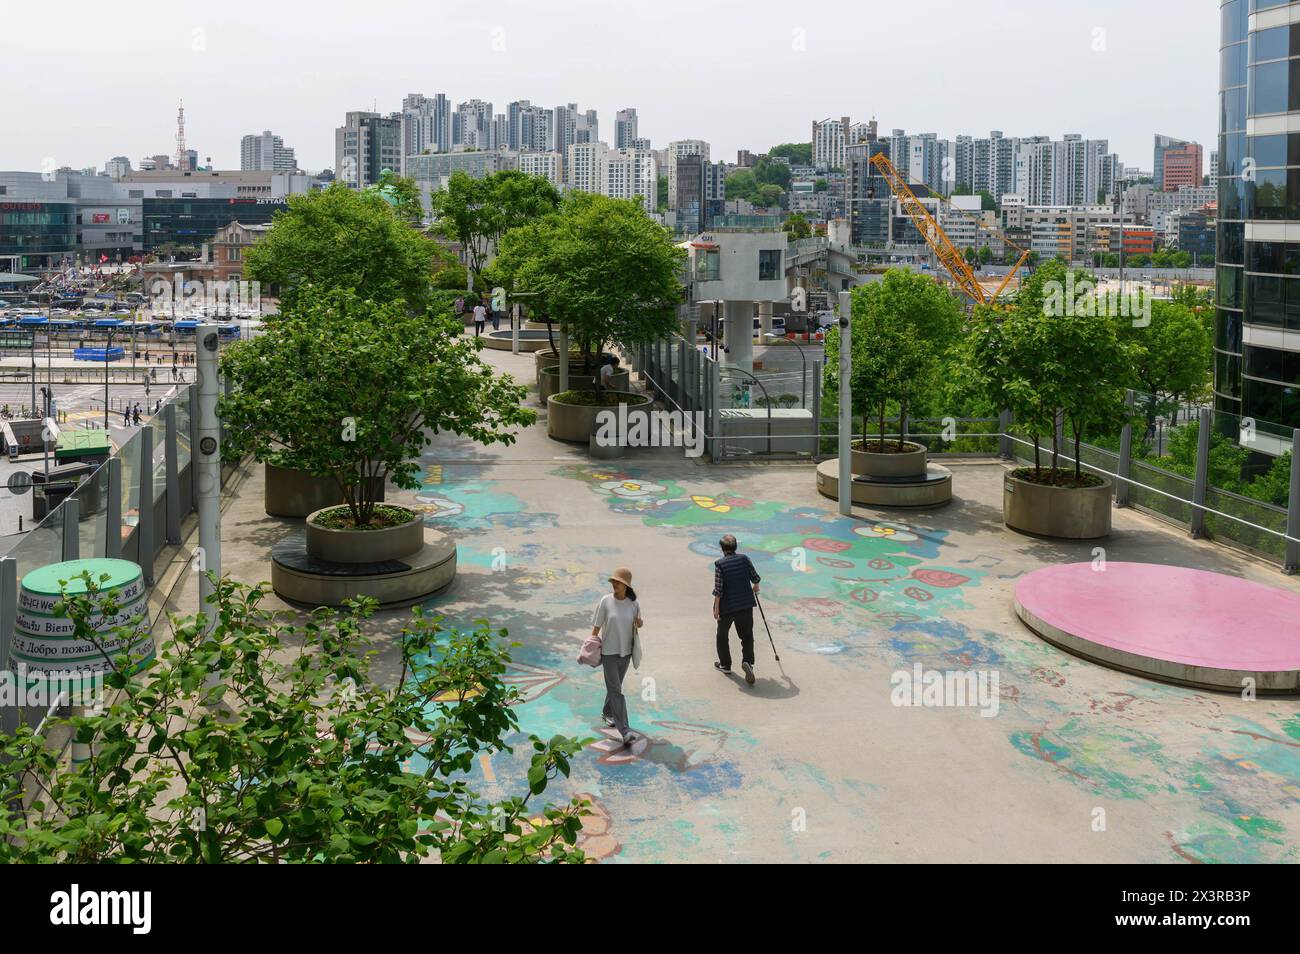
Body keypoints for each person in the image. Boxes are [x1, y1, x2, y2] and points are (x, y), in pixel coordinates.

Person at [589, 567, 644, 747]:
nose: (614, 585)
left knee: (614, 687)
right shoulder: (605, 601)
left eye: (618, 582)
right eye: (613, 582)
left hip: (625, 654)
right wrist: (591, 645)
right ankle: (625, 730)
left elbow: (638, 624)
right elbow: (596, 626)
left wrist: (640, 622)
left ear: (626, 585)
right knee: (616, 691)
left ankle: (607, 712)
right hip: (608, 654)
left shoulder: (633, 604)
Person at [712, 534, 761, 685]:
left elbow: (719, 590)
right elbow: (755, 578)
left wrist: (716, 607)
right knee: (746, 636)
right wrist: (755, 587)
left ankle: (725, 664)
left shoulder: (720, 564)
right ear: (735, 547)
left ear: (722, 549)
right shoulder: (744, 559)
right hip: (746, 604)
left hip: (728, 606)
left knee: (722, 636)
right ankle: (748, 662)